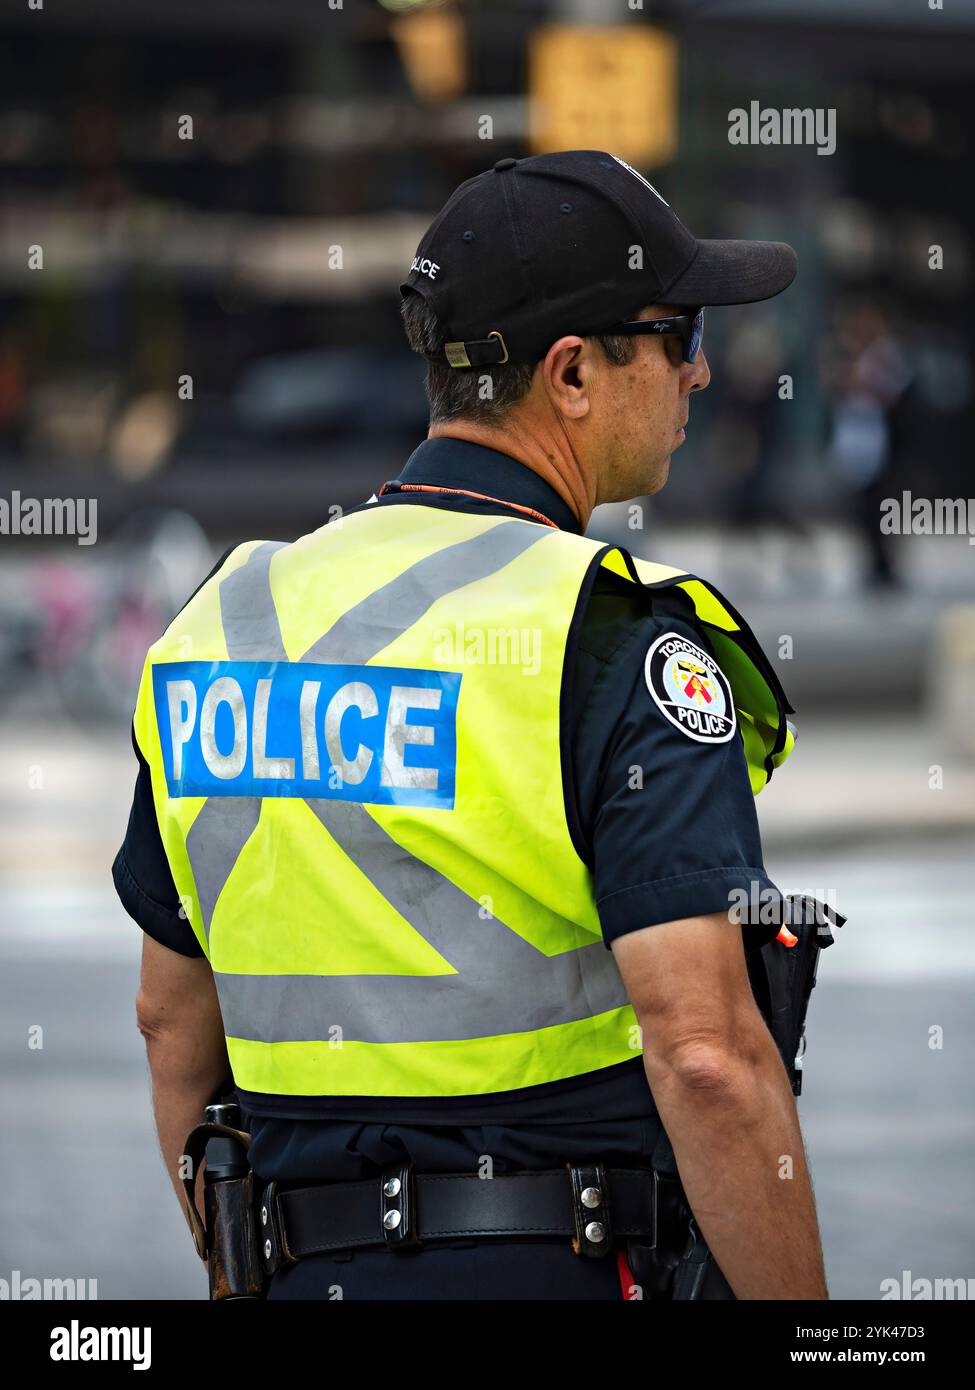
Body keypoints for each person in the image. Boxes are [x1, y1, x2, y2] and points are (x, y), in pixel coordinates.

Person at [113, 150, 828, 1301]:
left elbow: (166, 1022)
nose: (701, 372)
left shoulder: (224, 626)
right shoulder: (611, 641)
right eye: (681, 332)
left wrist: (250, 1260)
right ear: (573, 372)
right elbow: (705, 1057)